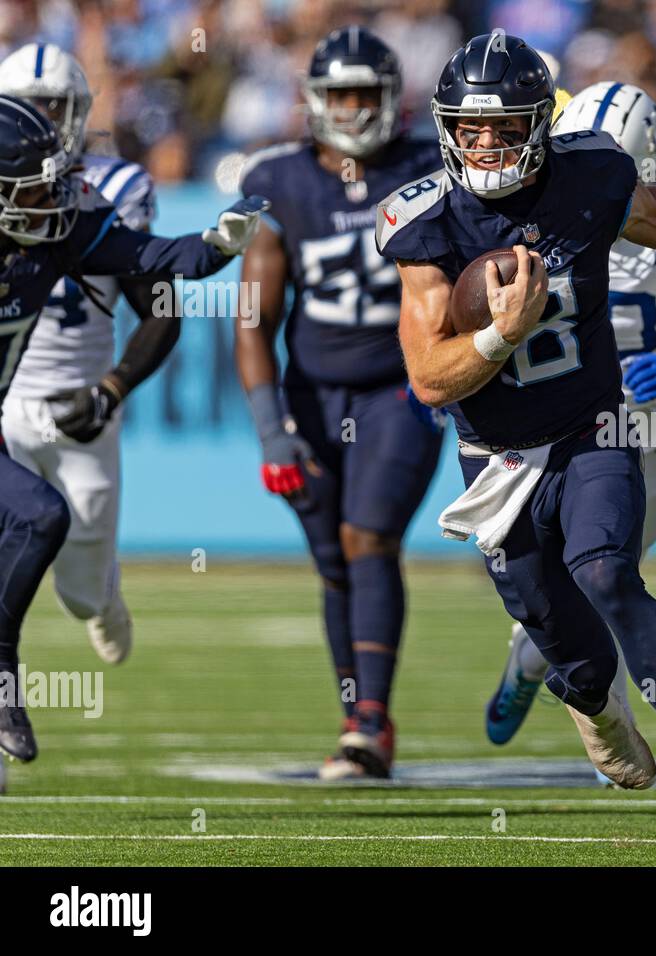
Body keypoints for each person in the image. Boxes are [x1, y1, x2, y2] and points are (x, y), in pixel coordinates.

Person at [378, 35, 656, 830]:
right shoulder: (425, 225)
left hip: (594, 425)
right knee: (562, 640)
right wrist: (498, 337)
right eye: (471, 128)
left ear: (539, 124)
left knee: (607, 573)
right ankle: (592, 701)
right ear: (447, 127)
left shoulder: (590, 177)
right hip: (496, 461)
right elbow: (427, 376)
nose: (487, 144)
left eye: (507, 126)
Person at [0, 95, 266, 791]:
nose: (55, 199)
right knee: (34, 513)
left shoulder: (54, 232)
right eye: (35, 187)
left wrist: (214, 245)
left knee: (41, 515)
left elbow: (152, 257)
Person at [479, 80, 656, 751]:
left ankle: (536, 667)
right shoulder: (544, 201)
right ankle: (562, 685)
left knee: (607, 588)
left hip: (641, 433)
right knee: (567, 600)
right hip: (556, 421)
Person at [236, 26, 445, 781]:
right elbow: (253, 320)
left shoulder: (429, 167)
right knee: (332, 562)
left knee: (368, 539)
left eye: (365, 93)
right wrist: (270, 432)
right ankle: (356, 717)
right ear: (313, 101)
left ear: (393, 99)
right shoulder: (281, 180)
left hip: (402, 383)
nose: (353, 108)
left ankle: (370, 724)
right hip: (312, 393)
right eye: (339, 94)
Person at [0, 42, 175, 667]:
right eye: (30, 109)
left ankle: (103, 594)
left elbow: (161, 307)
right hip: (5, 406)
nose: (44, 123)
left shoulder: (110, 189)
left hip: (82, 410)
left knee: (78, 595)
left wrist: (111, 389)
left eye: (55, 108)